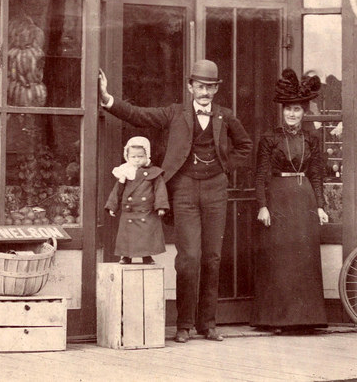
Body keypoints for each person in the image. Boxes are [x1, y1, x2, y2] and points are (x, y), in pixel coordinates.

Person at [98, 60, 252, 343]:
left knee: (212, 257)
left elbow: (245, 146)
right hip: (183, 191)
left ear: (216, 90)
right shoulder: (174, 113)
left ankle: (208, 324)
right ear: (190, 87)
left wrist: (225, 166)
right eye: (200, 86)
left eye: (210, 88)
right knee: (189, 257)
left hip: (216, 191)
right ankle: (184, 324)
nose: (205, 92)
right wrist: (108, 99)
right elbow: (139, 115)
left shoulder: (225, 116)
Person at [252, 68, 329, 333]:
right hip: (278, 199)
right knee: (280, 260)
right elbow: (260, 174)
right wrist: (262, 205)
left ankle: (306, 319)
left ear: (304, 112)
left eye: (297, 110)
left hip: (304, 199)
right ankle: (277, 320)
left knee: (303, 258)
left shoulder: (311, 139)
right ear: (282, 111)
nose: (292, 114)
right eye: (288, 109)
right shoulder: (269, 138)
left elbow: (316, 175)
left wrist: (320, 206)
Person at [105, 135, 169, 265]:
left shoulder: (154, 173)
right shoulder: (125, 172)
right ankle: (126, 256)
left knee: (146, 235)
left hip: (146, 211)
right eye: (133, 157)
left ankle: (147, 256)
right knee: (127, 236)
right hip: (129, 211)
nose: (137, 160)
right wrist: (112, 206)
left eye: (140, 156)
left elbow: (160, 190)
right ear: (127, 157)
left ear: (147, 156)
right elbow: (117, 191)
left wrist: (161, 206)